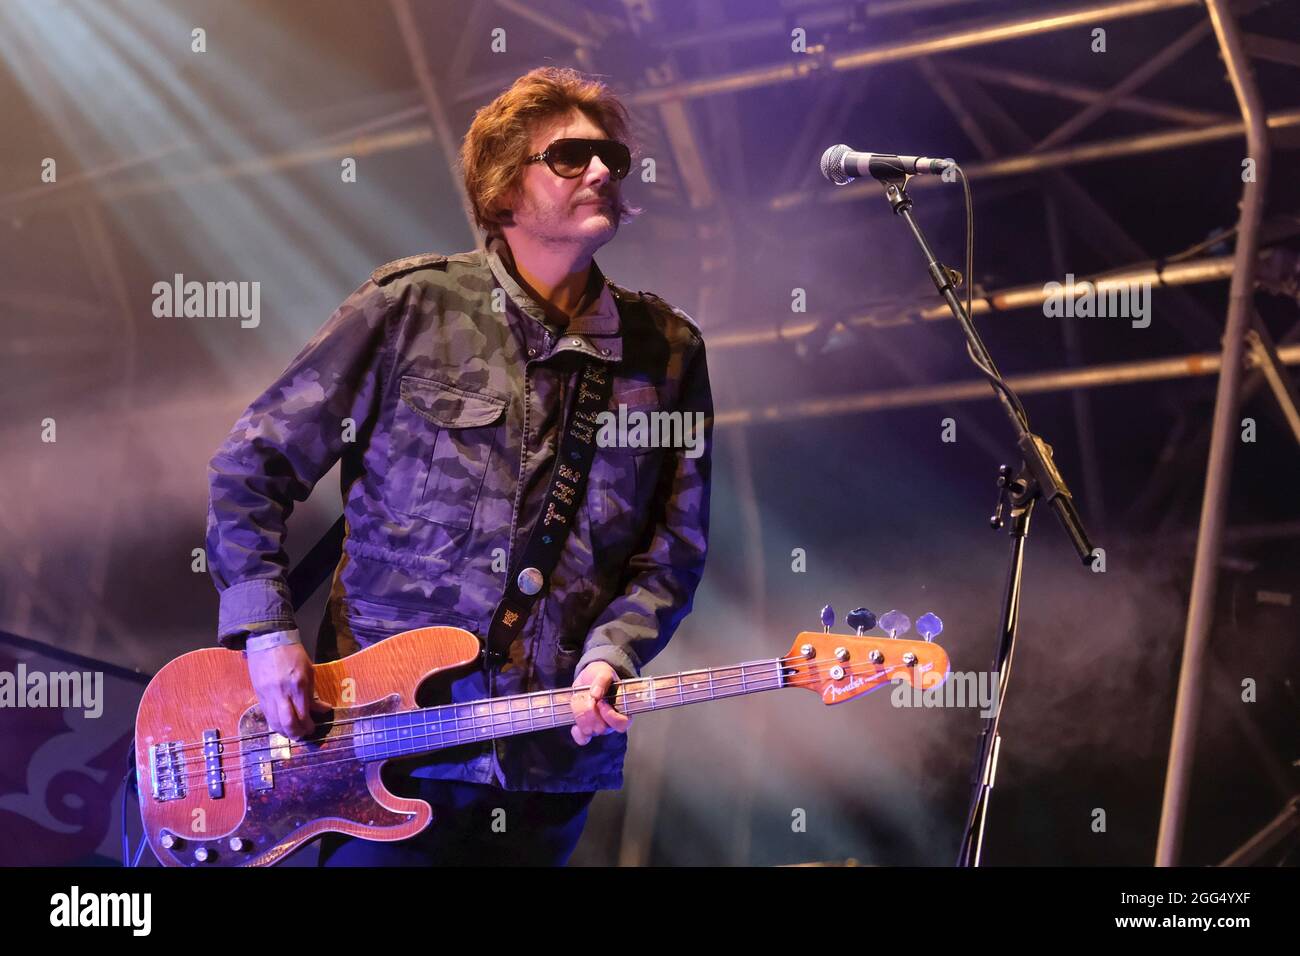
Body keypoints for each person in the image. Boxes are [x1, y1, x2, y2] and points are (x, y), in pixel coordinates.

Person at [204, 66, 713, 866]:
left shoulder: (669, 350)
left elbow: (673, 550)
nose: (603, 172)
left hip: (544, 765)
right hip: (373, 748)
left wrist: (611, 655)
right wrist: (267, 634)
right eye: (571, 156)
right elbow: (251, 465)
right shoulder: (413, 308)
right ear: (505, 186)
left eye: (612, 157)